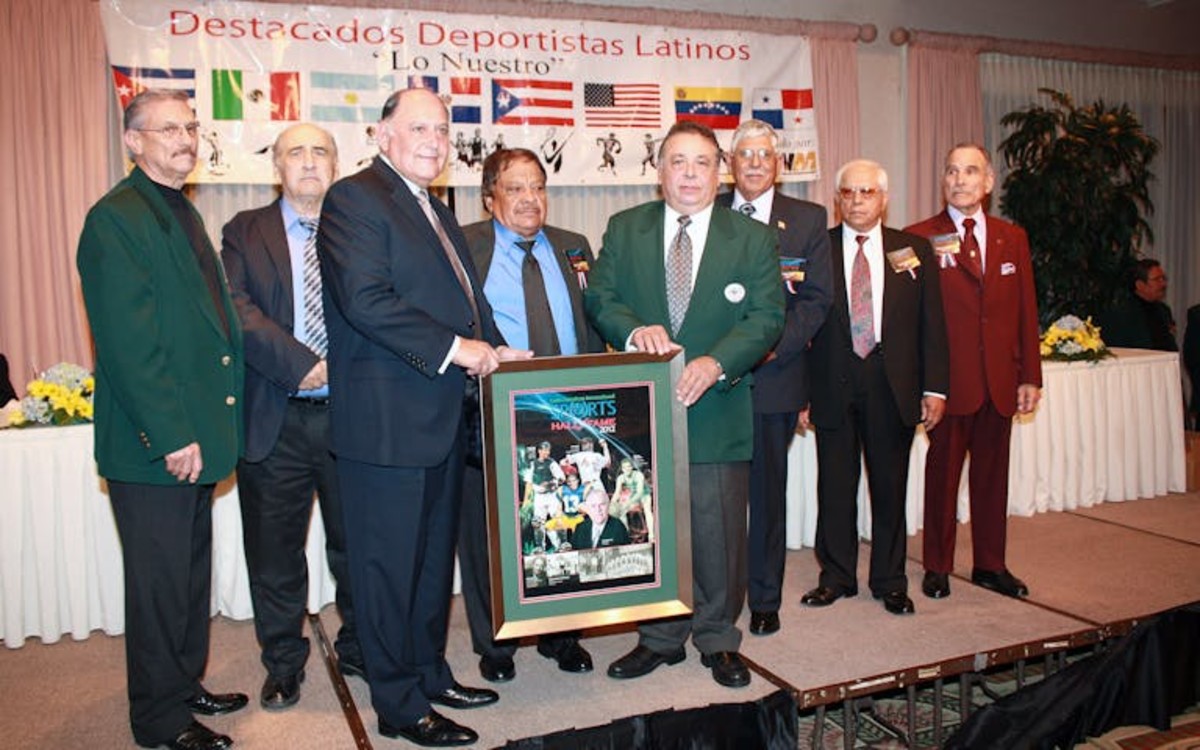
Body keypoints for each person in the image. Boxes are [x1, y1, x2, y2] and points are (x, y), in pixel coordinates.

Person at [317, 87, 528, 747]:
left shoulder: (433, 206)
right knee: (388, 572)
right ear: (382, 135)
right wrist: (459, 349)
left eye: (442, 130)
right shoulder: (354, 199)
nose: (434, 141)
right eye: (419, 128)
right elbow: (366, 300)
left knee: (433, 567)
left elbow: (467, 303)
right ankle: (399, 706)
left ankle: (430, 674)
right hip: (386, 427)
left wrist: (497, 347)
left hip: (441, 422)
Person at [76, 89, 248, 750]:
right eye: (168, 129)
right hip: (158, 446)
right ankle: (158, 718)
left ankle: (183, 684)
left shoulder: (178, 208)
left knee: (187, 575)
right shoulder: (115, 218)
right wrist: (172, 433)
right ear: (133, 141)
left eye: (191, 127)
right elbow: (128, 343)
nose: (185, 139)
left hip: (197, 436)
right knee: (158, 585)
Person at [585, 120, 784, 689]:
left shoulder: (752, 238)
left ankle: (718, 637)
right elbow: (601, 296)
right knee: (650, 528)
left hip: (718, 405)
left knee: (718, 531)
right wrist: (632, 331)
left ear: (720, 173)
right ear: (659, 171)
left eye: (702, 162)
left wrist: (716, 362)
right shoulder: (626, 228)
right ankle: (659, 638)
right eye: (678, 161)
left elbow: (767, 316)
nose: (690, 174)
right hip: (644, 411)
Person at [220, 123, 363, 712]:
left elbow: (383, 307)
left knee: (357, 544)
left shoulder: (360, 229)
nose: (308, 162)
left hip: (352, 414)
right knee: (275, 551)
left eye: (320, 152)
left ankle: (360, 646)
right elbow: (236, 308)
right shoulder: (243, 230)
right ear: (276, 166)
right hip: (275, 415)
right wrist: (300, 364)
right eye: (295, 152)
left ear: (337, 165)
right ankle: (283, 662)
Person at [459, 146, 602, 684]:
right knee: (489, 534)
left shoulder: (573, 246)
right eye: (515, 188)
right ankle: (495, 643)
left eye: (537, 187)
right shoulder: (464, 246)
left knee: (560, 523)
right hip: (491, 408)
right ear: (489, 198)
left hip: (564, 410)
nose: (529, 198)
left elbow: (594, 320)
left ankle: (562, 635)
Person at [800, 159, 949, 617]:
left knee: (890, 488)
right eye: (848, 192)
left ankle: (889, 580)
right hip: (831, 382)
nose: (857, 201)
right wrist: (800, 393)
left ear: (884, 199)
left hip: (892, 384)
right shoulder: (818, 248)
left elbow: (932, 323)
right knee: (835, 488)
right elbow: (799, 325)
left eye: (867, 192)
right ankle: (836, 576)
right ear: (837, 200)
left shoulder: (913, 249)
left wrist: (935, 388)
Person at [905, 143, 1042, 600]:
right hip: (947, 385)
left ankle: (990, 564)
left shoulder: (1012, 238)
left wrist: (1030, 375)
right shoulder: (918, 237)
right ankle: (937, 565)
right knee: (942, 479)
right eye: (951, 171)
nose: (959, 179)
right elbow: (909, 319)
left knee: (992, 479)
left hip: (999, 381)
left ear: (988, 181)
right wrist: (923, 382)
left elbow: (1025, 310)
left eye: (969, 171)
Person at [718, 119, 832, 637]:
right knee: (715, 499)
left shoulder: (807, 219)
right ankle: (717, 598)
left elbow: (817, 300)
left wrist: (767, 348)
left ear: (779, 165)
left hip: (775, 376)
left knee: (766, 497)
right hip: (714, 379)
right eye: (745, 154)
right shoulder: (707, 212)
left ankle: (765, 598)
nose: (755, 163)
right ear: (730, 164)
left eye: (765, 155)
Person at [1096, 259, 1178, 352]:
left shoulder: (1164, 310)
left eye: (1163, 278)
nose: (1163, 284)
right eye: (1156, 279)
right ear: (1140, 285)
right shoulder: (1122, 313)